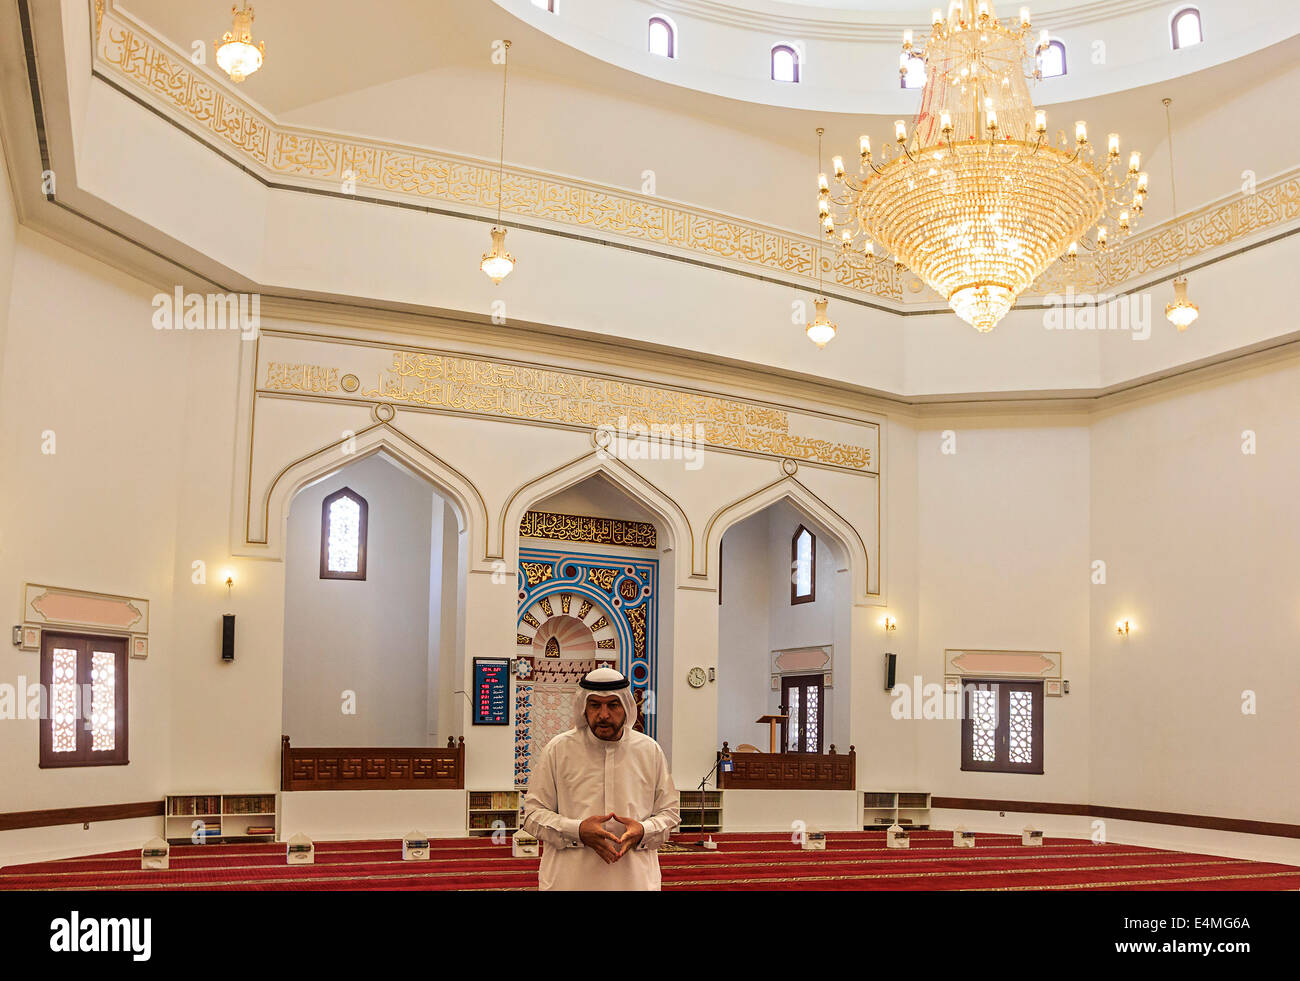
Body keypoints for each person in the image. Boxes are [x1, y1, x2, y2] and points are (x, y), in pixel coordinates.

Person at [522, 667, 680, 890]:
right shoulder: (558, 749)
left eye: (613, 705)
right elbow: (532, 815)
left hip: (634, 880)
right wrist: (577, 830)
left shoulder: (649, 750)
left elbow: (670, 814)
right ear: (584, 708)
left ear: (626, 706)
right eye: (595, 705)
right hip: (569, 881)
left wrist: (644, 831)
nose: (604, 714)